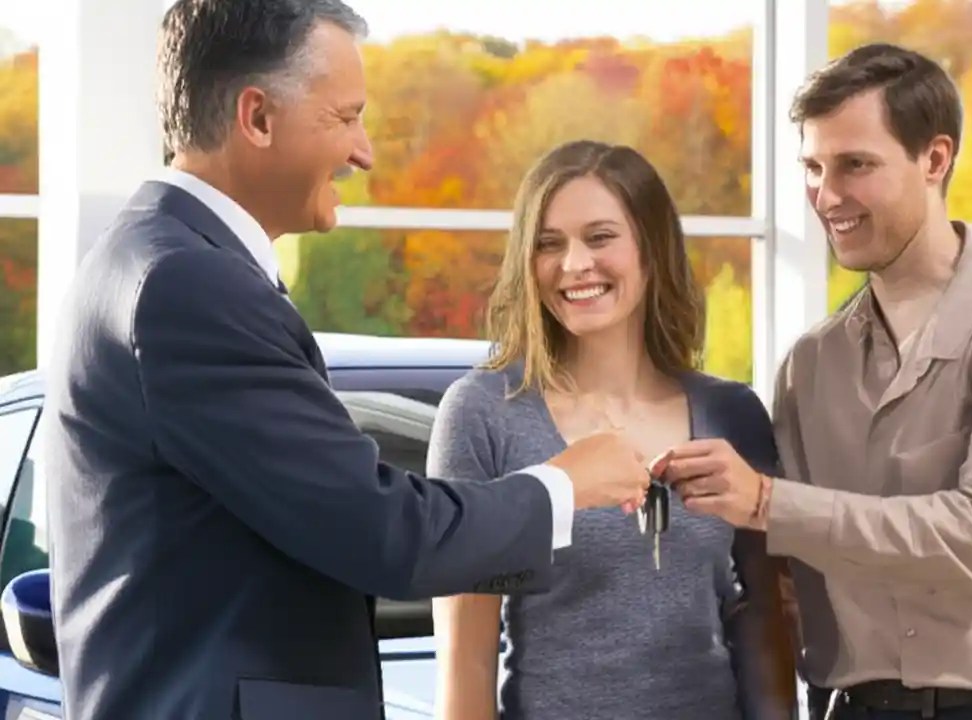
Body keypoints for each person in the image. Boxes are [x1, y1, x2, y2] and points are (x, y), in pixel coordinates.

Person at [42, 3, 651, 719]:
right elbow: (379, 531)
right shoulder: (187, 285)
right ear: (257, 117)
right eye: (346, 116)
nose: (364, 151)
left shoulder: (153, 261)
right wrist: (563, 483)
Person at [663, 43, 972, 720]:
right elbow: (786, 584)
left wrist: (765, 503)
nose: (827, 196)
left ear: (935, 159)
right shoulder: (810, 366)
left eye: (855, 165)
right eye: (812, 167)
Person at [429, 139, 798, 720]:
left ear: (650, 249)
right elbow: (465, 658)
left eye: (600, 237)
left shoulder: (733, 413)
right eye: (549, 244)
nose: (574, 264)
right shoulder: (484, 414)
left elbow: (765, 620)